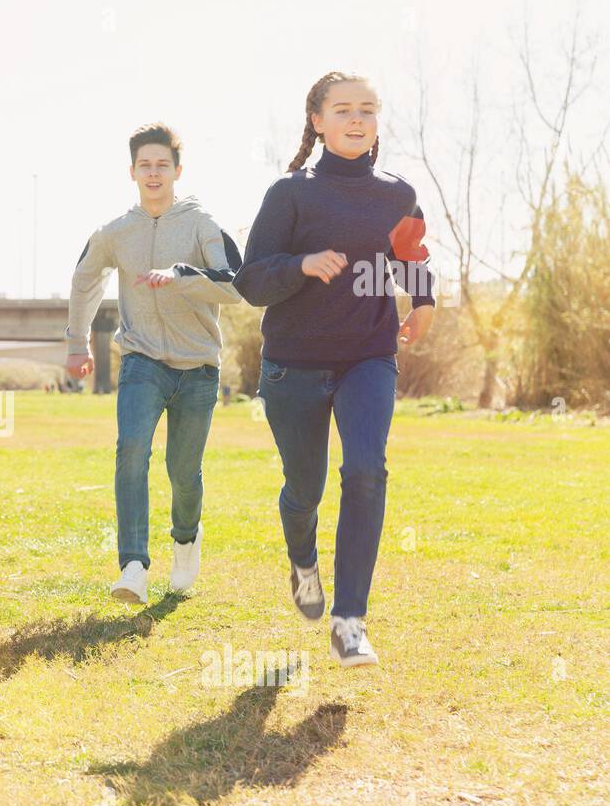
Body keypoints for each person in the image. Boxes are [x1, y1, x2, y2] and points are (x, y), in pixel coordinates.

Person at [233, 71, 435, 668]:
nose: (357, 118)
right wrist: (302, 264)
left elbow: (413, 255)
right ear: (317, 121)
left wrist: (422, 300)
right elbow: (251, 281)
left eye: (367, 109)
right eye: (343, 109)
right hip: (292, 366)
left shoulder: (397, 195)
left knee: (367, 469)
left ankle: (350, 620)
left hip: (368, 358)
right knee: (304, 491)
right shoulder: (290, 194)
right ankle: (303, 563)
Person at [66, 123, 242, 606]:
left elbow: (235, 284)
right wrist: (77, 343)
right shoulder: (115, 232)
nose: (153, 172)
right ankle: (134, 565)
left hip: (198, 367)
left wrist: (183, 275)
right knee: (131, 449)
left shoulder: (202, 224)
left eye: (162, 164)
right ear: (132, 171)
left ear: (177, 170)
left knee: (183, 471)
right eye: (145, 164)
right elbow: (84, 281)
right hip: (142, 360)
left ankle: (186, 539)